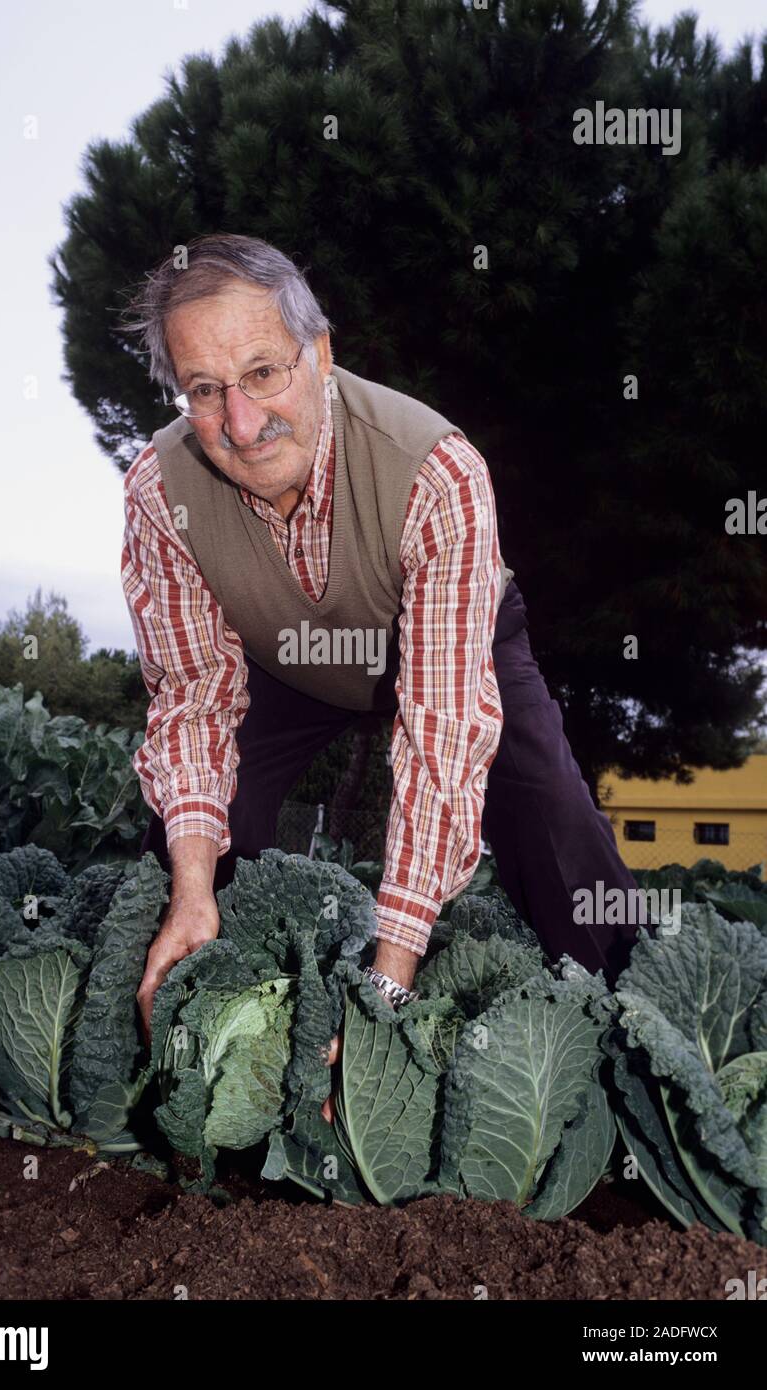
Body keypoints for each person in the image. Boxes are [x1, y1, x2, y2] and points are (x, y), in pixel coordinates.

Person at [120, 233, 641, 1121]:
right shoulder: (156, 493)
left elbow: (438, 737)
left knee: (552, 812)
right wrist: (194, 885)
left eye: (263, 373)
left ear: (320, 355)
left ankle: (629, 1055)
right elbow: (196, 700)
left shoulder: (436, 472)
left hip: (444, 646)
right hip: (280, 661)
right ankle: (215, 1080)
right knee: (187, 844)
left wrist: (386, 985)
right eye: (205, 391)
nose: (241, 424)